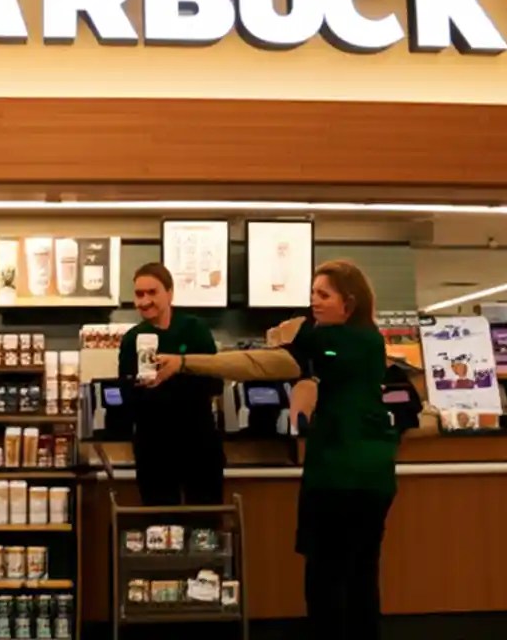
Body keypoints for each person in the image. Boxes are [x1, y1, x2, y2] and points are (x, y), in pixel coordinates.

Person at [151, 260, 398, 639]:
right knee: (363, 576)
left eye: (323, 295)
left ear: (347, 303)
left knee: (325, 580)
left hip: (337, 476)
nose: (313, 301)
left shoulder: (328, 340)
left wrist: (185, 362)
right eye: (313, 292)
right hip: (375, 477)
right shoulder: (371, 339)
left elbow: (262, 365)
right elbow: (317, 376)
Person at [118, 262, 225, 506]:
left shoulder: (195, 329)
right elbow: (126, 393)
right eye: (139, 294)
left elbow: (214, 382)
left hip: (198, 444)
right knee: (160, 525)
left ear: (170, 293)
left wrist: (177, 369)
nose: (145, 301)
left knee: (204, 524)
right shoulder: (132, 339)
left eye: (152, 292)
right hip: (153, 448)